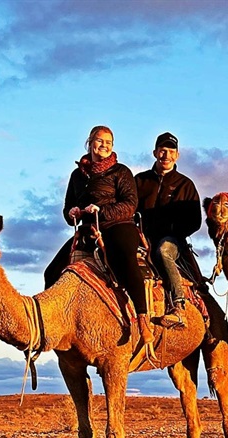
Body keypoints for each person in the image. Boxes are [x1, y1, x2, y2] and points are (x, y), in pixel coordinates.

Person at [42, 125, 149, 348]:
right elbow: (67, 207)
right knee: (51, 271)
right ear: (90, 142)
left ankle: (142, 318)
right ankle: (50, 324)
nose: (104, 146)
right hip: (88, 229)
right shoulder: (77, 176)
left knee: (126, 260)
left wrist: (102, 211)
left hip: (118, 225)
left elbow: (130, 203)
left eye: (108, 142)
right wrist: (72, 212)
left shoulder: (121, 172)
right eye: (100, 141)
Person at [136, 132, 201, 328]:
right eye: (162, 151)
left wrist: (171, 229)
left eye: (171, 151)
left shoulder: (186, 185)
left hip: (172, 239)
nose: (166, 155)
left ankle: (178, 306)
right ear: (155, 152)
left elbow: (195, 221)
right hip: (140, 237)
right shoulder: (139, 181)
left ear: (177, 155)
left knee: (163, 251)